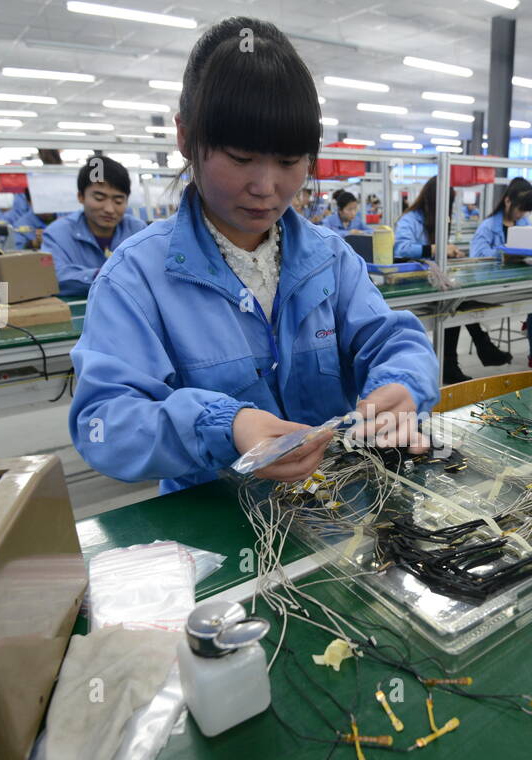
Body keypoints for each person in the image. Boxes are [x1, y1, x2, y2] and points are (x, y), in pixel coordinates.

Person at [68, 17, 438, 494]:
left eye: (289, 162)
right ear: (185, 137)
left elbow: (392, 341)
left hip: (335, 507)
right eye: (241, 158)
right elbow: (106, 422)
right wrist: (225, 427)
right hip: (217, 525)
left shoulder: (331, 258)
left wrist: (403, 384)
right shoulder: (135, 276)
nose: (266, 188)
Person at [397, 175, 511, 383]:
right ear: (433, 200)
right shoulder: (411, 219)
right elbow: (401, 248)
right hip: (410, 282)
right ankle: (480, 346)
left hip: (432, 282)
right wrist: (437, 248)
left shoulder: (436, 220)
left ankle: (455, 361)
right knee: (455, 299)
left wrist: (450, 252)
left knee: (456, 299)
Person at [471, 176, 532, 368]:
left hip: (520, 283)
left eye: (526, 211)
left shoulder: (524, 224)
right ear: (507, 201)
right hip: (493, 287)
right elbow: (477, 258)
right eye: (520, 209)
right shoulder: (487, 227)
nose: (522, 215)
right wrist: (505, 252)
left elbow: (531, 249)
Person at [40, 157, 148, 297]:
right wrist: (105, 274)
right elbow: (53, 277)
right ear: (81, 196)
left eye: (118, 200)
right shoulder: (57, 234)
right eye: (99, 198)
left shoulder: (137, 230)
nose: (109, 209)